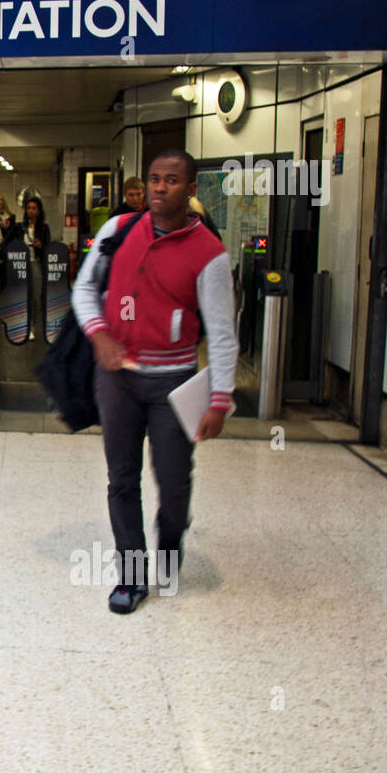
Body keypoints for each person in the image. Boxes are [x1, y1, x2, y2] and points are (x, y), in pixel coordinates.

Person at [71, 148, 238, 615]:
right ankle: (131, 572)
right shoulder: (118, 231)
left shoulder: (210, 254)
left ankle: (168, 548)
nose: (160, 188)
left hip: (174, 384)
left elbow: (223, 334)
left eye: (171, 180)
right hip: (118, 380)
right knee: (121, 479)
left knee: (174, 482)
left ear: (191, 190)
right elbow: (85, 288)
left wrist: (220, 400)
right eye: (154, 179)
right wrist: (98, 334)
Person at [14, 196, 52, 341]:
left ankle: (34, 326)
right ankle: (25, 326)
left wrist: (40, 245)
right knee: (23, 296)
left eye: (33, 208)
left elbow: (49, 248)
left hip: (36, 263)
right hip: (21, 264)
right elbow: (9, 242)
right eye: (28, 208)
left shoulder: (44, 228)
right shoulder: (19, 227)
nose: (30, 211)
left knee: (36, 296)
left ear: (39, 210)